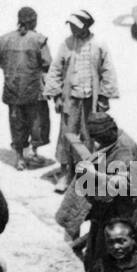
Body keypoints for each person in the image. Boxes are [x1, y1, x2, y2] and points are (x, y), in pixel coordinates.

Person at [54, 110, 137, 262]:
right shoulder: (114, 137)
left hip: (124, 206)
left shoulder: (124, 150)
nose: (97, 143)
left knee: (105, 251)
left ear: (110, 131)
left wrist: (94, 174)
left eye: (99, 139)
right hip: (112, 201)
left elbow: (122, 184)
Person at [45, 10, 118, 186]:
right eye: (69, 25)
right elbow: (55, 69)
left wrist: (104, 97)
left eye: (75, 25)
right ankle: (64, 173)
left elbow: (108, 70)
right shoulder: (66, 44)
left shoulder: (99, 44)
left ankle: (86, 175)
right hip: (70, 99)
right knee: (67, 135)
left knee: (89, 136)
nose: (71, 28)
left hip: (90, 101)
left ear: (85, 26)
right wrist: (56, 96)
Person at [0, 6, 51, 170]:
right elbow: (47, 62)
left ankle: (20, 158)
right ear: (34, 21)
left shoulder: (5, 39)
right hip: (33, 90)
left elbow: (0, 62)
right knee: (37, 122)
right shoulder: (38, 39)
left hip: (12, 89)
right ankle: (33, 154)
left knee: (16, 123)